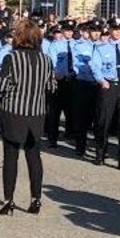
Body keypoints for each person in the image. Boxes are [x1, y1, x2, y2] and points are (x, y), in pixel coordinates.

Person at [0, 18, 57, 215]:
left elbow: (1, 86)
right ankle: (36, 199)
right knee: (34, 156)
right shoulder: (46, 59)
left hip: (14, 111)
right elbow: (51, 87)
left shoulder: (11, 58)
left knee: (11, 157)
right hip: (36, 113)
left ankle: (8, 200)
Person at [90, 18, 120, 169]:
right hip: (108, 86)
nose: (117, 32)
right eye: (115, 29)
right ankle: (100, 153)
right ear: (109, 30)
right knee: (104, 121)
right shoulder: (101, 48)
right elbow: (95, 66)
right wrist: (101, 80)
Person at [45, 19, 78, 147]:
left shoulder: (77, 44)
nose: (69, 33)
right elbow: (50, 62)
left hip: (73, 80)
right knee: (55, 110)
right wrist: (55, 73)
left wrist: (75, 72)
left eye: (71, 31)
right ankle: (52, 137)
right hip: (59, 80)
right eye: (67, 30)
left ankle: (70, 134)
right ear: (62, 31)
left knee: (72, 110)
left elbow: (80, 62)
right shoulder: (55, 45)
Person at [72, 20, 101, 157]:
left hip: (99, 85)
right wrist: (90, 67)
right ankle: (80, 146)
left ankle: (99, 149)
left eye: (98, 31)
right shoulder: (80, 46)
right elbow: (77, 64)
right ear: (88, 33)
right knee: (82, 117)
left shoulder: (103, 47)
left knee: (99, 118)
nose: (96, 33)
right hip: (84, 83)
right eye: (93, 31)